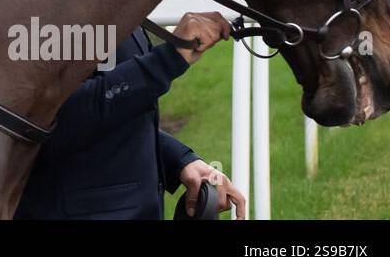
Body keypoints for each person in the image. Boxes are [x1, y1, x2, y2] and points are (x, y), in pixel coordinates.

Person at [15, 13, 247, 220]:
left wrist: (180, 160)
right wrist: (165, 61)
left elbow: (118, 114)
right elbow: (48, 121)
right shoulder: (45, 2)